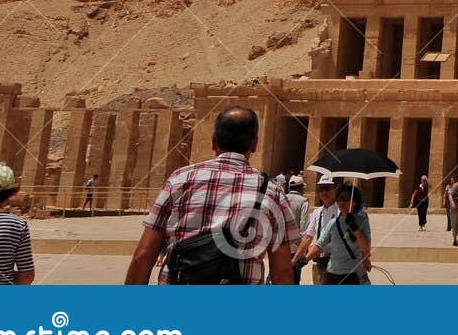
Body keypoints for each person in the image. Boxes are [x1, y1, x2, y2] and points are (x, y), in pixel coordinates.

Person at [125, 105, 297, 285]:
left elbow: (143, 256)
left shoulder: (180, 179)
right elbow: (282, 273)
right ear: (254, 145)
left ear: (213, 141)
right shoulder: (272, 192)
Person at [308, 184, 371, 284]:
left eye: (345, 199)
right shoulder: (334, 223)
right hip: (333, 273)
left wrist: (354, 227)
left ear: (354, 202)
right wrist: (305, 259)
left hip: (352, 273)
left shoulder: (361, 220)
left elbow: (366, 248)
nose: (342, 202)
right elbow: (319, 244)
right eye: (339, 199)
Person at [294, 175, 338, 284]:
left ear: (335, 189)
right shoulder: (317, 213)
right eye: (321, 188)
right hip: (321, 261)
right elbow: (308, 238)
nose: (324, 192)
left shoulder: (341, 212)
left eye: (327, 188)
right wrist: (295, 260)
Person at [286, 178, 312, 244]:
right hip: (295, 242)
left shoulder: (282, 198)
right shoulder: (303, 201)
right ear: (300, 187)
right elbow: (304, 223)